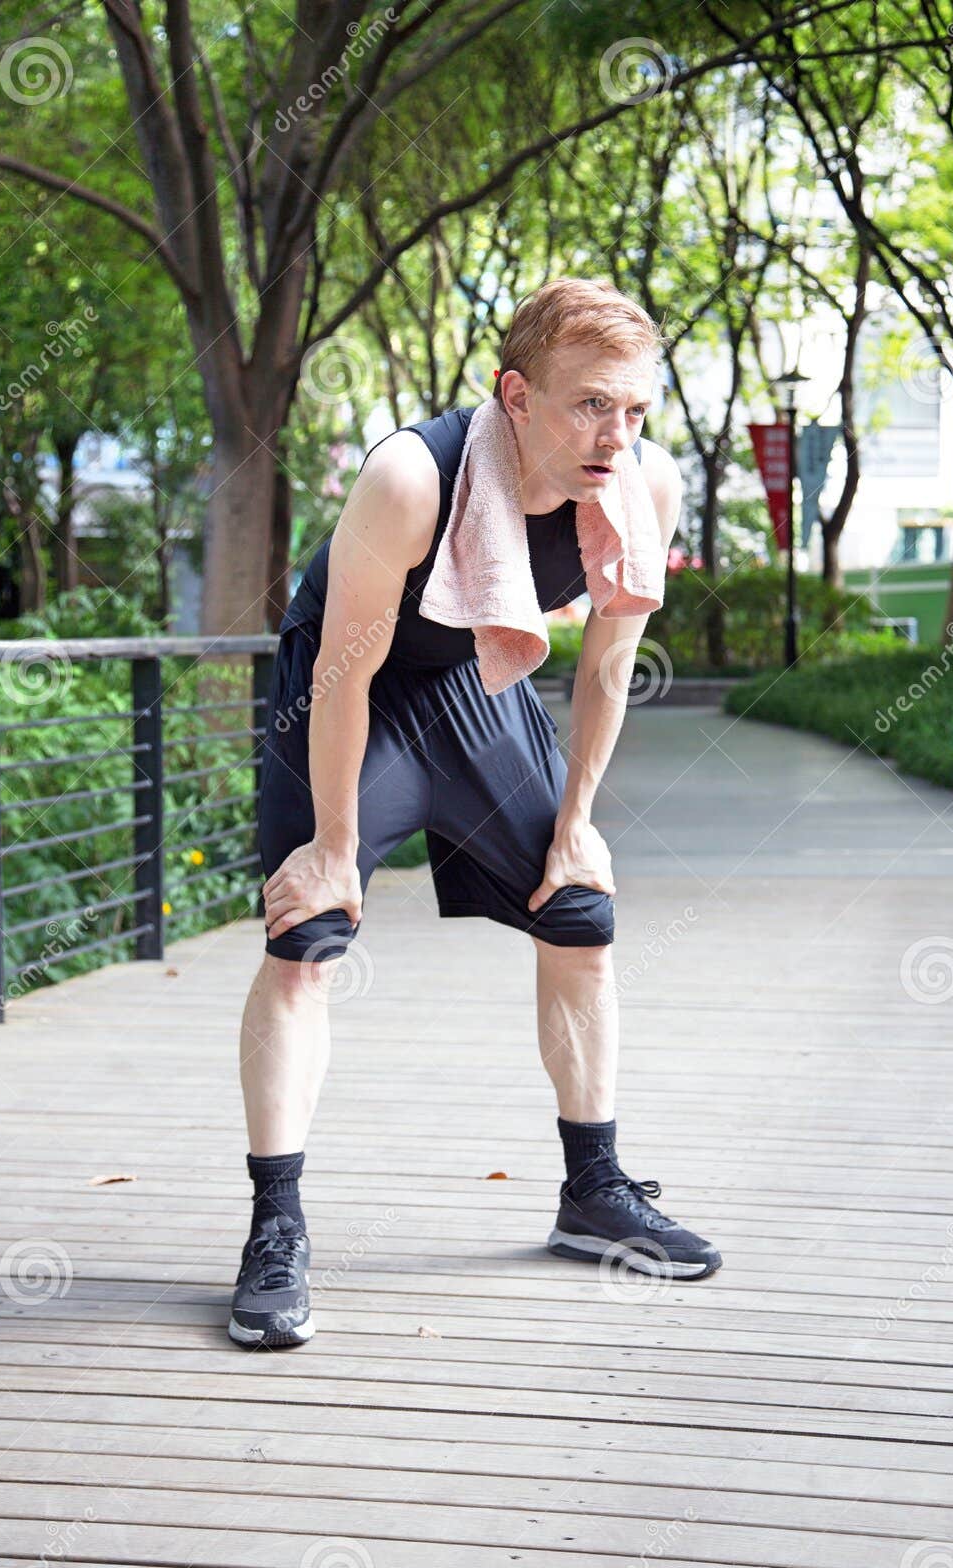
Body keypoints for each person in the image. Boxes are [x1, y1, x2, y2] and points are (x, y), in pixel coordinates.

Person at [229, 277, 721, 1349]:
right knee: (305, 936)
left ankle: (591, 1192)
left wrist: (577, 818)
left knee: (576, 907)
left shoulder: (643, 484)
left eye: (633, 409)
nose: (614, 434)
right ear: (515, 395)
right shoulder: (412, 476)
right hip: (348, 688)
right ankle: (275, 1227)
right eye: (590, 404)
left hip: (472, 689)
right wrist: (333, 847)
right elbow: (346, 671)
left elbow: (605, 664)